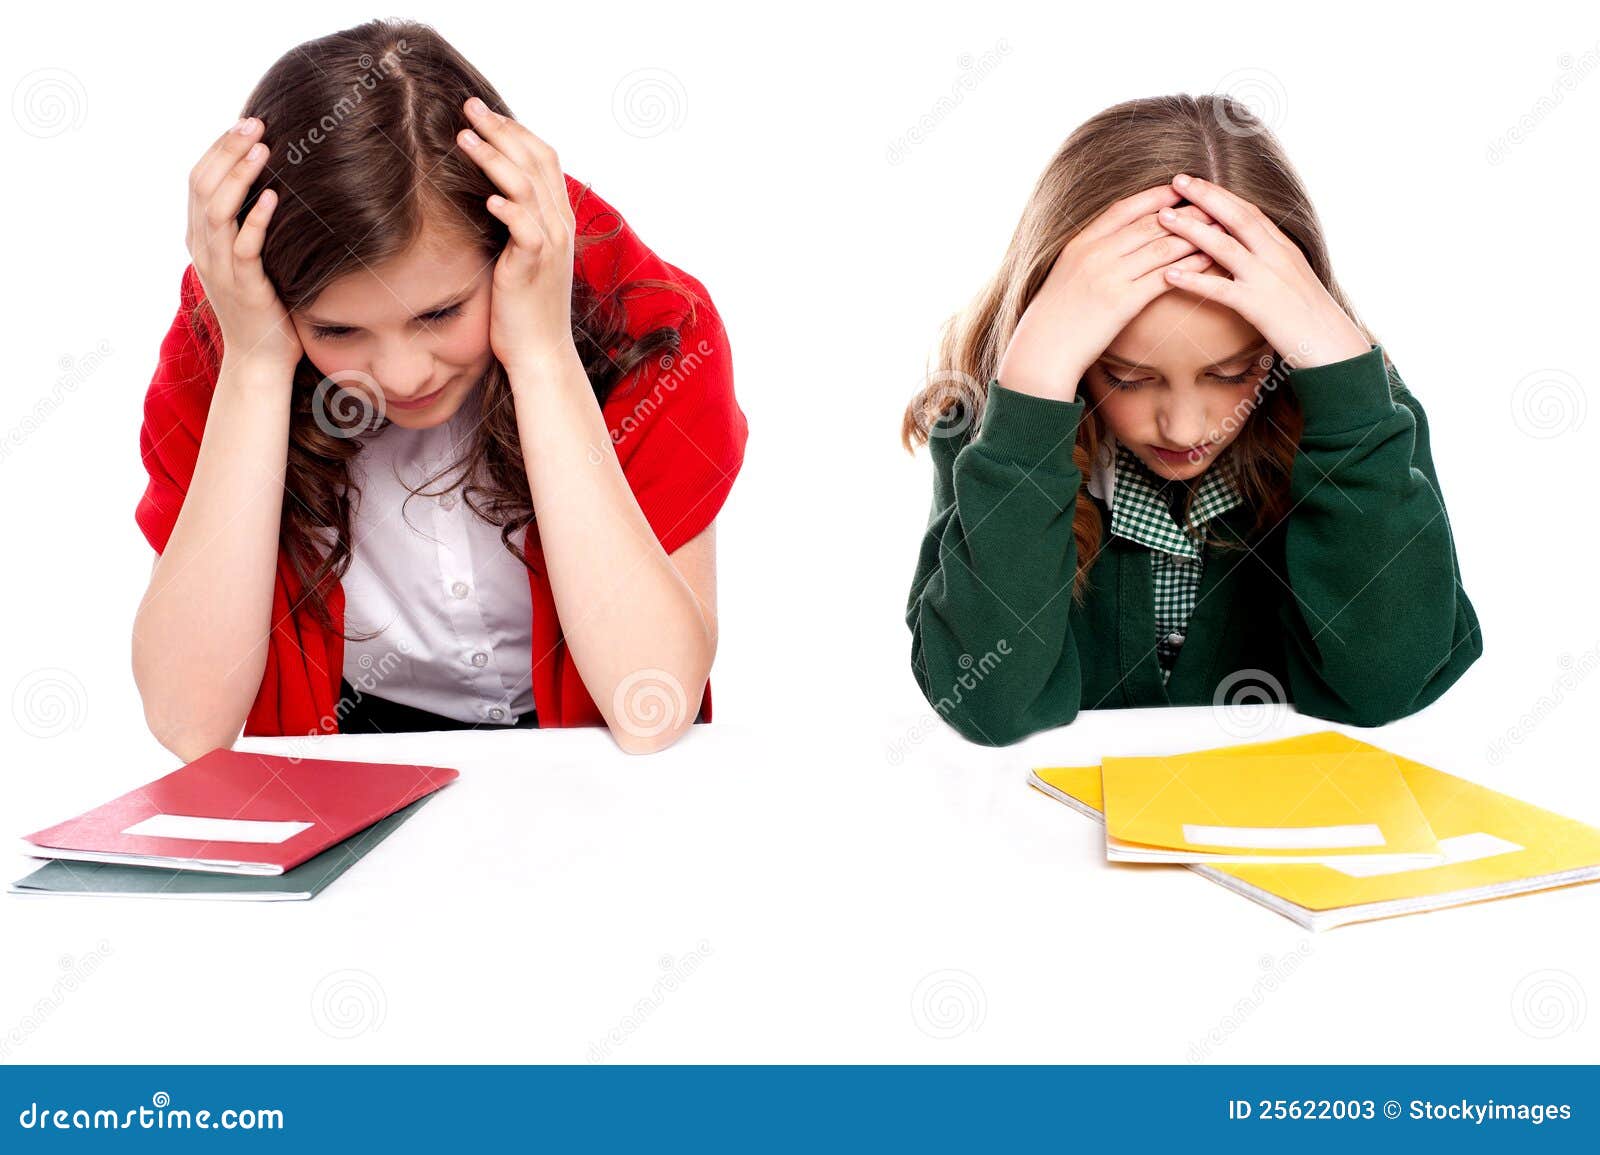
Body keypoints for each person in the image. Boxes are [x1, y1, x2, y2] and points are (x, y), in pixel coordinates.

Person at [133, 19, 746, 759]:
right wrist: (257, 369)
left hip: (587, 752)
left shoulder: (652, 322)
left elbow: (654, 706)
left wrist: (543, 355)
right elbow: (189, 724)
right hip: (353, 747)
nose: (401, 375)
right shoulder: (230, 338)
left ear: (508, 251)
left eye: (440, 313)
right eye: (337, 330)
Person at [902, 94, 1481, 746]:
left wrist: (1345, 387)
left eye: (1232, 373)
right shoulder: (999, 428)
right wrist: (1033, 389)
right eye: (1128, 377)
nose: (1183, 428)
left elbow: (1389, 684)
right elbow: (988, 705)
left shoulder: (1361, 423)